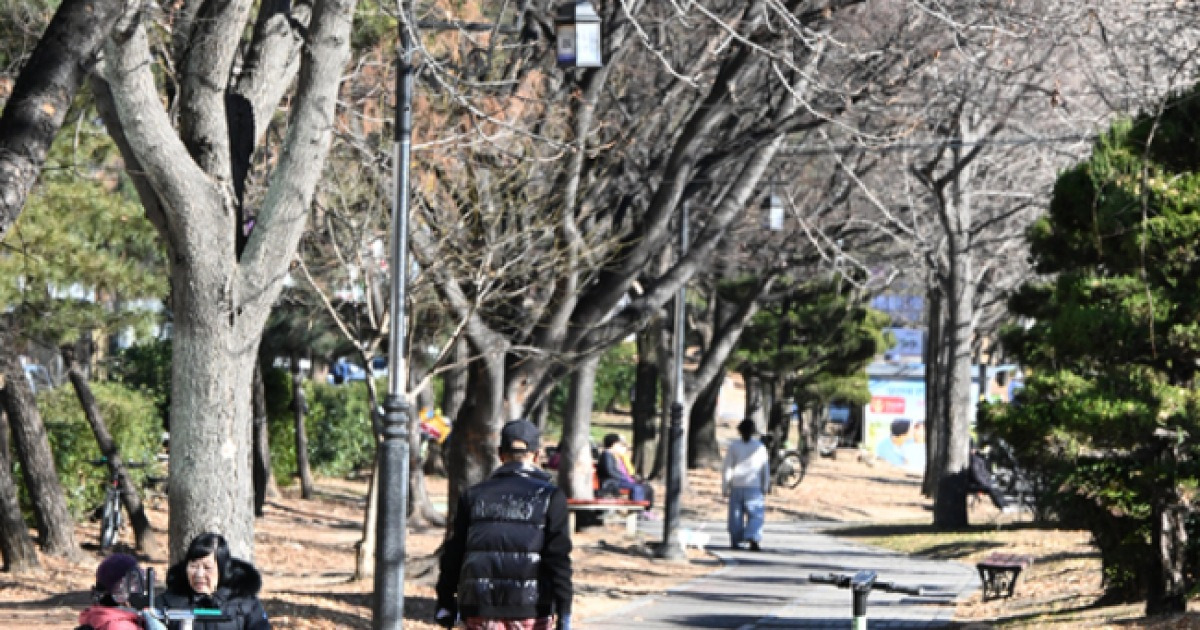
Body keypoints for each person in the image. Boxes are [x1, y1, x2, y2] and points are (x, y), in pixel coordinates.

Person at [436, 419, 572, 630]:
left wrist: (445, 600)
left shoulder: (473, 495)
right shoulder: (551, 497)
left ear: (500, 454)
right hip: (531, 609)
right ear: (536, 455)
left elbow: (455, 552)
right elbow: (558, 558)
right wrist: (564, 610)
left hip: (479, 607)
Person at [159, 533, 271, 630]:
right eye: (193, 566)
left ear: (222, 570)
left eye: (207, 567)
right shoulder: (167, 603)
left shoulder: (246, 605)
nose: (199, 574)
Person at [77, 553, 166, 630]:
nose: (137, 589)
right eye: (134, 584)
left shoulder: (99, 616)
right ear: (119, 590)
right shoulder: (117, 626)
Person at [722, 419, 770, 551]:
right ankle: (753, 537)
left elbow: (728, 468)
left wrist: (725, 486)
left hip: (737, 485)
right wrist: (765, 485)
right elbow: (764, 468)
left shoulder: (734, 446)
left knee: (735, 515)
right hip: (754, 486)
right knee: (755, 514)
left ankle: (736, 540)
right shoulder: (760, 447)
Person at [597, 433, 655, 512]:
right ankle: (637, 511)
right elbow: (610, 471)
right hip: (611, 483)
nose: (619, 446)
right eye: (618, 444)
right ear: (613, 444)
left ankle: (646, 510)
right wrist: (624, 478)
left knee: (645, 486)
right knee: (637, 487)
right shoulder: (606, 455)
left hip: (617, 481)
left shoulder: (611, 455)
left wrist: (628, 478)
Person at [969, 443, 1012, 512]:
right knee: (991, 488)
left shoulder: (977, 458)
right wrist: (987, 483)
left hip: (982, 482)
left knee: (995, 487)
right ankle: (1002, 506)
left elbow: (984, 473)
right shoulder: (973, 460)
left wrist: (990, 480)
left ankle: (1005, 505)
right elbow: (976, 475)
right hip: (975, 484)